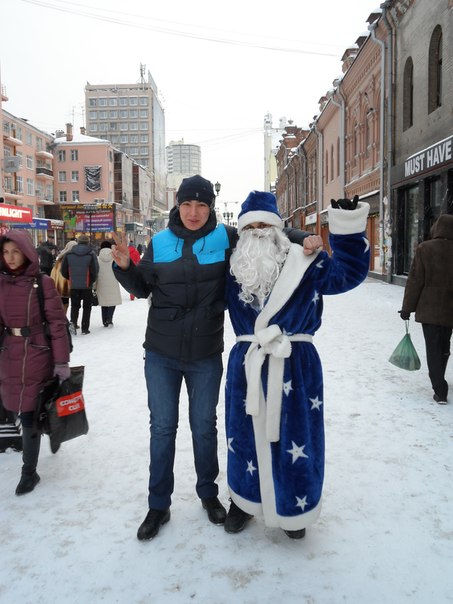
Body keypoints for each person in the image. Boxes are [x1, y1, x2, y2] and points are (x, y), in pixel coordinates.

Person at [111, 174, 323, 541]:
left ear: (210, 207)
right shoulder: (158, 242)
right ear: (177, 205)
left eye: (201, 205)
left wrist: (304, 236)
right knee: (162, 428)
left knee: (204, 427)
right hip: (161, 352)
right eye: (187, 204)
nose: (193, 212)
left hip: (205, 352)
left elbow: (267, 231)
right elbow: (143, 287)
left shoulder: (228, 237)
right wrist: (126, 269)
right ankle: (158, 505)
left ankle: (208, 495)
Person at [223, 191, 370, 539]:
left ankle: (294, 507)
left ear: (278, 228)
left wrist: (347, 227)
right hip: (248, 363)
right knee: (243, 436)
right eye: (251, 227)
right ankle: (244, 501)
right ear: (241, 232)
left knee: (297, 436)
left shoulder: (305, 261)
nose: (258, 232)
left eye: (265, 225)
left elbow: (347, 274)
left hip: (295, 364)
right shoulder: (230, 265)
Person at [0, 230, 71, 495]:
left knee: (29, 413)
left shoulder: (42, 283)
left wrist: (61, 361)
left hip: (38, 353)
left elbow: (57, 324)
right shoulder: (1, 283)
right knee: (20, 409)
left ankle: (28, 472)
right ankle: (50, 428)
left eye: (15, 252)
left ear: (27, 252)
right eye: (5, 252)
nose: (10, 257)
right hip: (9, 353)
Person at [400, 213, 453, 404]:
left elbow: (415, 281)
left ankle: (439, 388)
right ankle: (440, 378)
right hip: (450, 309)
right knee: (444, 345)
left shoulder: (425, 249)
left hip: (429, 308)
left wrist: (407, 308)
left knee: (433, 347)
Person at [61, 234, 99, 336]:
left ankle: (73, 324)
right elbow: (95, 270)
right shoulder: (91, 254)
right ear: (88, 242)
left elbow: (63, 270)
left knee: (74, 306)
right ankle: (85, 328)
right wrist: (91, 281)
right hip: (87, 285)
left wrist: (71, 278)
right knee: (87, 307)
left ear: (78, 242)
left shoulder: (69, 254)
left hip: (74, 285)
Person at [96, 239, 122, 327]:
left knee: (104, 302)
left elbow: (95, 271)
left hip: (101, 282)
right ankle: (109, 319)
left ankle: (104, 321)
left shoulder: (98, 259)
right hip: (113, 282)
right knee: (112, 301)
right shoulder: (114, 257)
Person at [50, 240, 78, 314]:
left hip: (59, 283)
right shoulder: (70, 257)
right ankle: (63, 318)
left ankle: (62, 317)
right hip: (66, 283)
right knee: (66, 303)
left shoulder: (61, 256)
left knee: (63, 302)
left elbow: (54, 271)